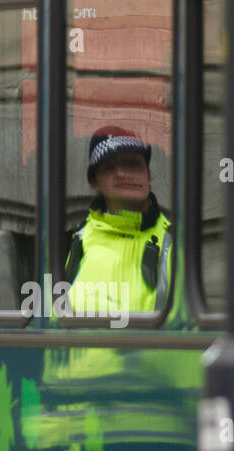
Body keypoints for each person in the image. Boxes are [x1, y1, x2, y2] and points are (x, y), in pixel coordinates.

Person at [65, 126, 173, 318]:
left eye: (133, 165)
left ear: (148, 176)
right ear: (94, 181)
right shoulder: (76, 241)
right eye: (109, 167)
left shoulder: (174, 243)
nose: (122, 173)